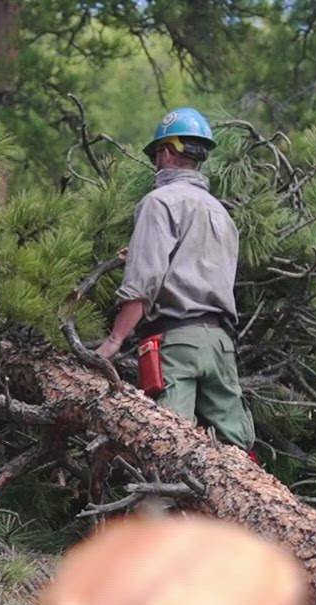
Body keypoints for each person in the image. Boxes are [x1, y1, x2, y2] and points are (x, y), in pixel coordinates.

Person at [93, 107, 255, 453]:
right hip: (220, 344)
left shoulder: (159, 203)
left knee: (168, 449)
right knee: (237, 452)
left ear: (166, 152)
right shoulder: (222, 214)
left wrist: (114, 339)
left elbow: (143, 282)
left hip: (175, 343)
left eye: (155, 155)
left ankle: (164, 507)